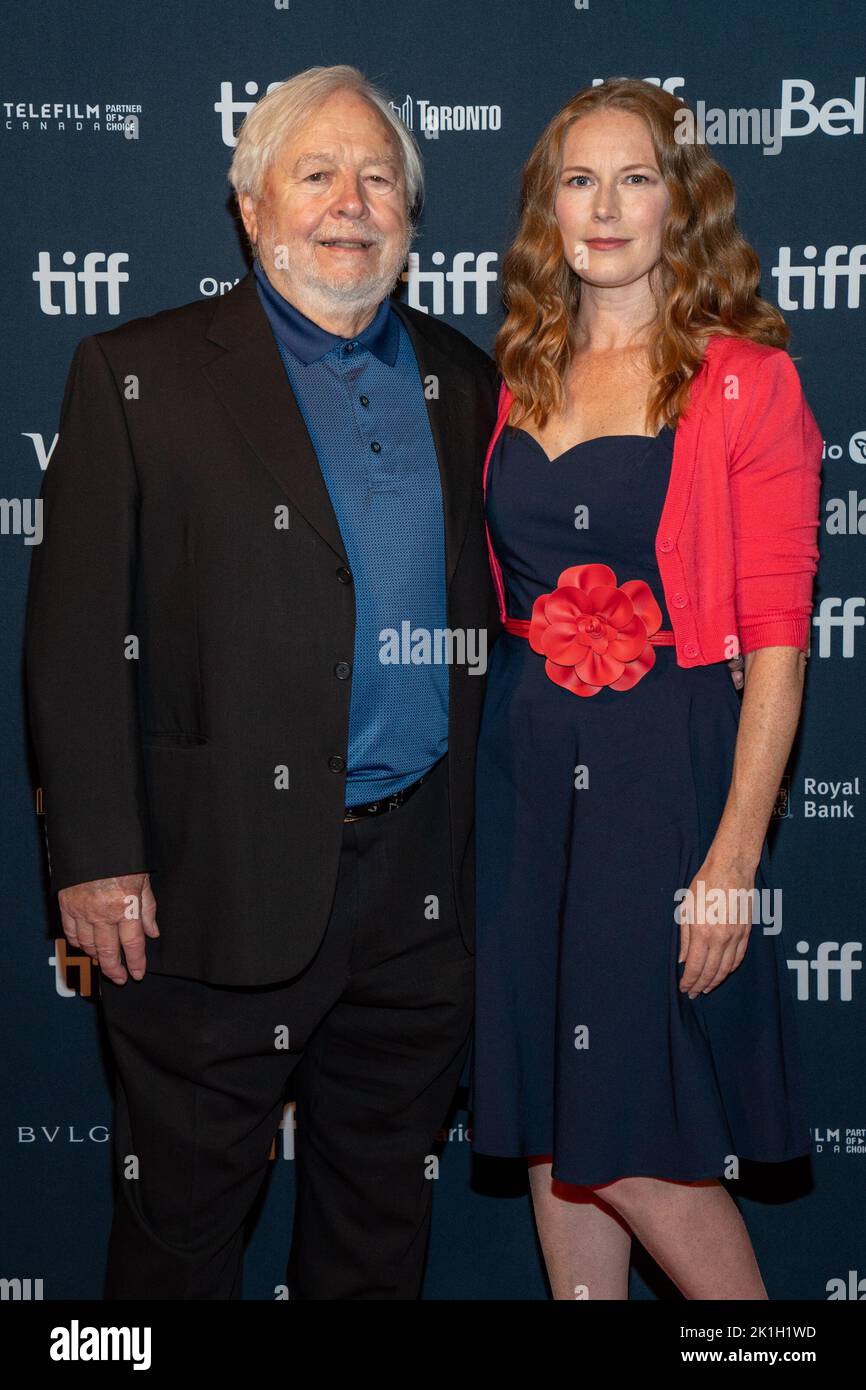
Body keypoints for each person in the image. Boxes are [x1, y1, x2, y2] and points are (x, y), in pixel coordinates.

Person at [24, 65, 500, 1300]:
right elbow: (74, 637)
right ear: (251, 207)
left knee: (377, 1225)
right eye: (316, 173)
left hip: (413, 896)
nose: (351, 203)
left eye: (379, 177)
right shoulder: (137, 373)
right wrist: (94, 854)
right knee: (178, 1234)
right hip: (203, 880)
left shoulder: (465, 379)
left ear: (409, 210)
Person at [469, 77, 821, 1300]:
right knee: (562, 1129)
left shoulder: (743, 380)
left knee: (634, 1133)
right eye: (578, 179)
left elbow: (777, 636)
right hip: (526, 780)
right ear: (545, 210)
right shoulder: (519, 369)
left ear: (681, 204)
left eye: (634, 178)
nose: (604, 205)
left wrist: (729, 859)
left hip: (658, 775)